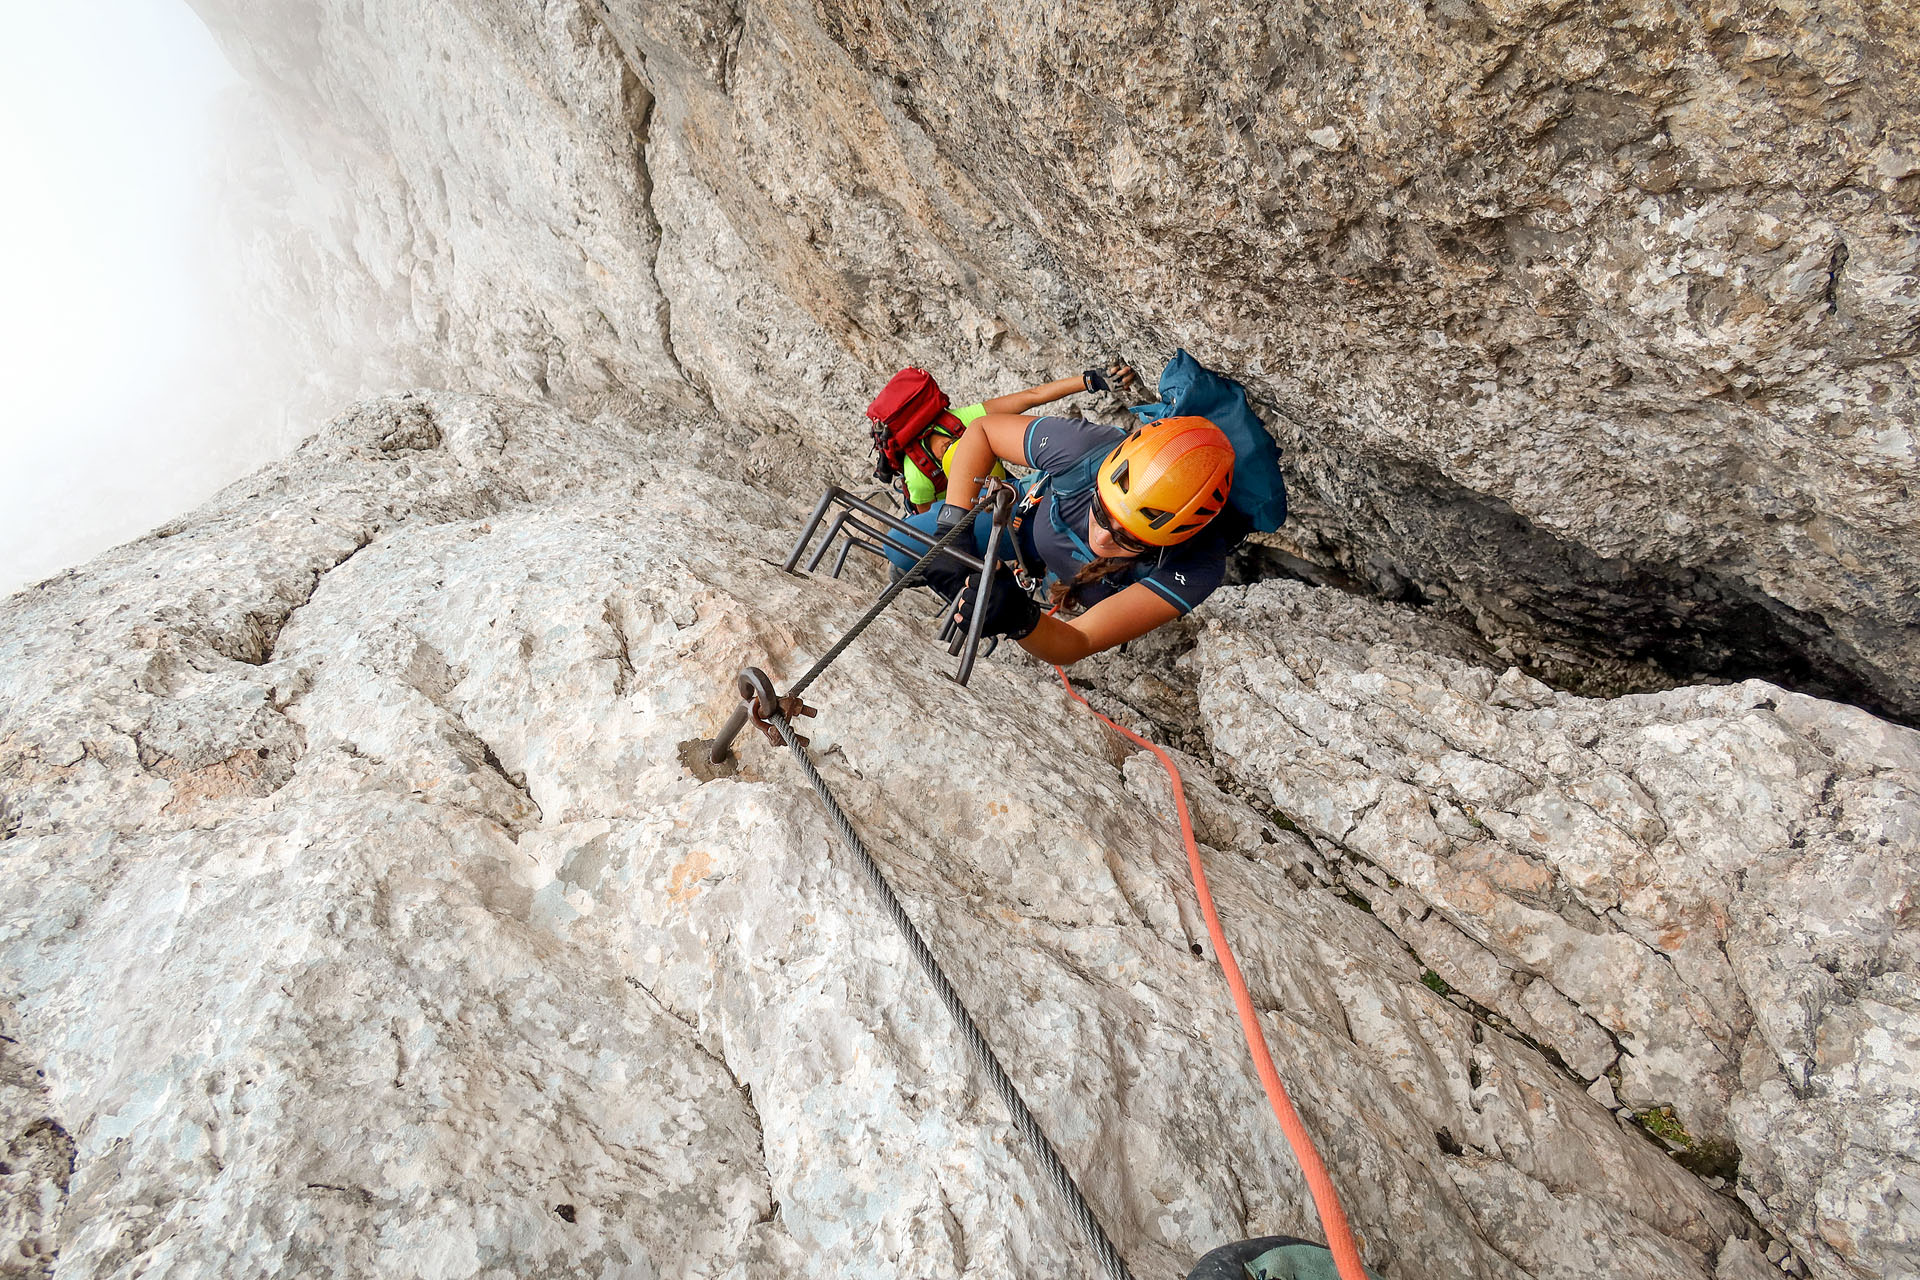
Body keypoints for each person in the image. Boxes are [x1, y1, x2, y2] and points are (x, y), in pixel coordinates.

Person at [883, 398, 1239, 667]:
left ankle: (1037, 578)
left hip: (1064, 567)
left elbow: (1078, 641)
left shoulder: (1196, 566)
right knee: (904, 545)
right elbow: (983, 431)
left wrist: (1021, 620)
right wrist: (953, 524)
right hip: (1027, 522)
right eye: (1100, 511)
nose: (1101, 538)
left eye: (1129, 539)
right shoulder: (1086, 450)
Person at [896, 366, 1137, 512]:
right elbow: (934, 523)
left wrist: (1092, 380)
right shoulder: (918, 478)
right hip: (957, 506)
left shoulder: (959, 423)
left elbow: (1031, 397)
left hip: (996, 485)